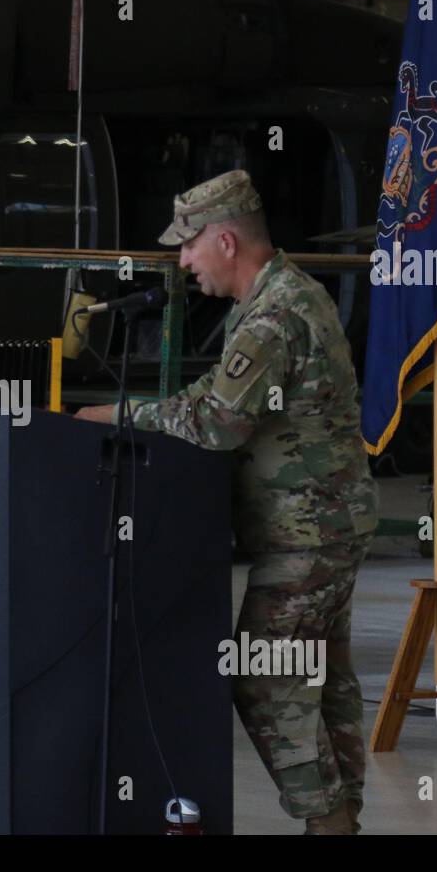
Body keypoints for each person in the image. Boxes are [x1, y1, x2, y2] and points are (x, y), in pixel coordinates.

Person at [77, 170, 378, 834]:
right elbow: (220, 397)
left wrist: (118, 415)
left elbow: (216, 418)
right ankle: (340, 821)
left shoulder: (273, 316)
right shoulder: (284, 297)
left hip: (307, 530)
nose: (182, 263)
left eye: (187, 248)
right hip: (324, 524)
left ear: (224, 239)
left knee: (267, 681)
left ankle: (330, 825)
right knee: (322, 681)